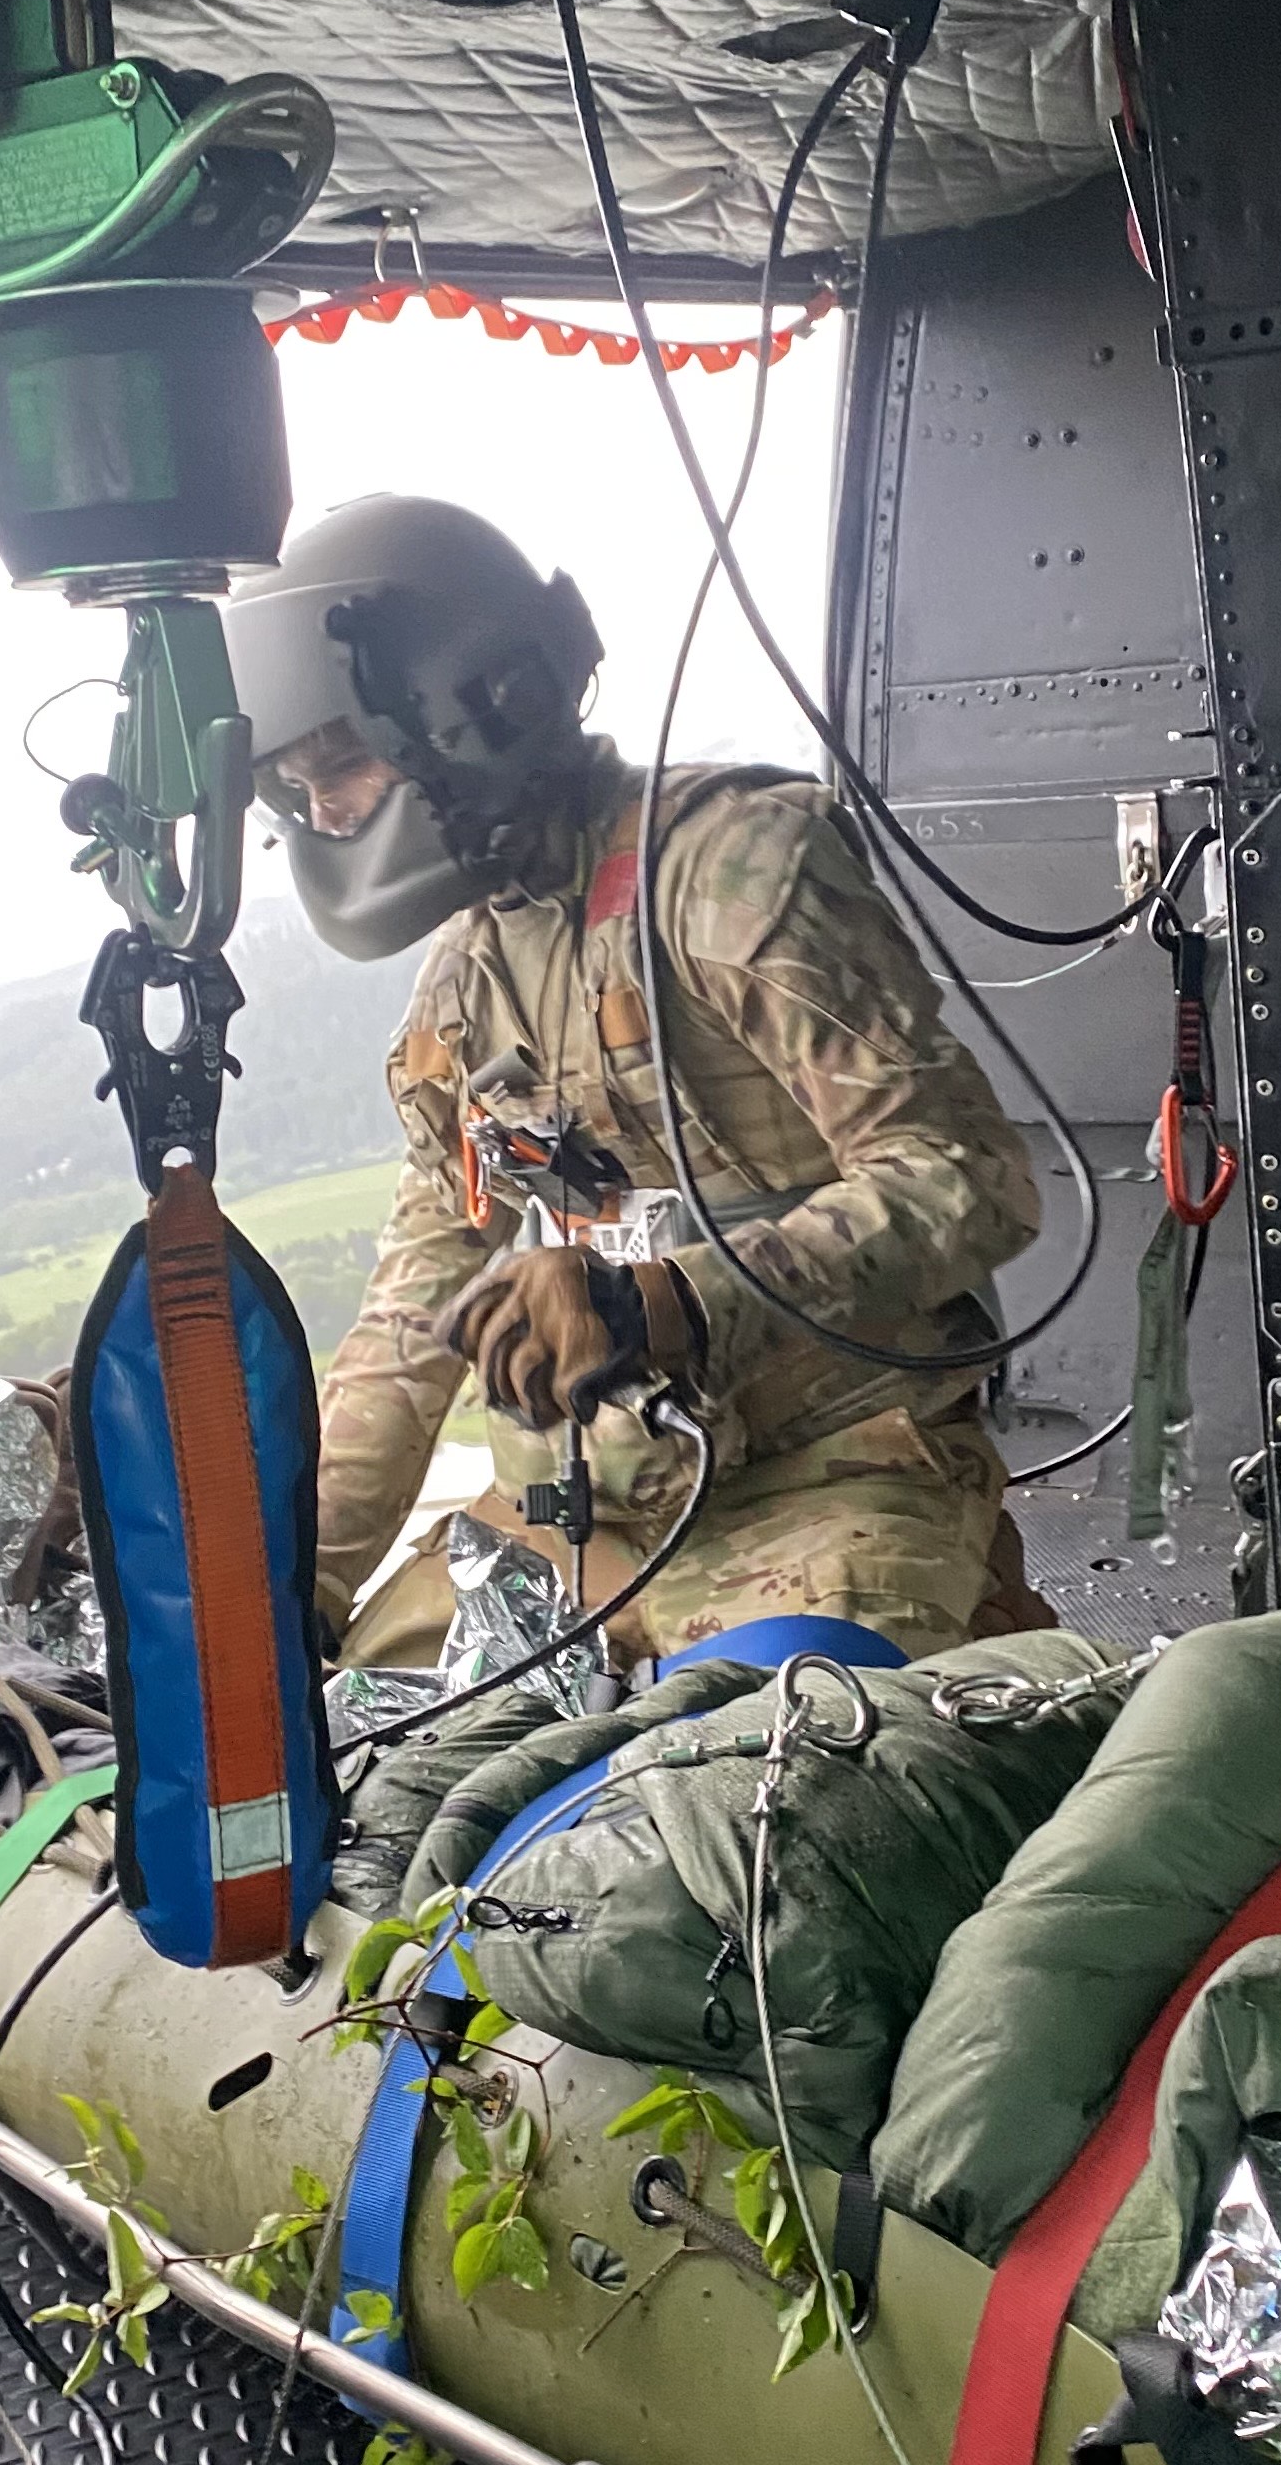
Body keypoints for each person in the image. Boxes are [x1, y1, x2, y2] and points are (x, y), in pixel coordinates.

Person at [222, 493, 1052, 1667]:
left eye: (341, 766)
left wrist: (668, 1305)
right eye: (297, 793)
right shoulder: (464, 995)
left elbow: (964, 1178)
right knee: (358, 1783)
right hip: (579, 1524)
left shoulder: (730, 876)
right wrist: (302, 1579)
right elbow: (416, 1316)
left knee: (738, 1810)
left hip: (827, 1491)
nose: (326, 816)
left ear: (485, 706)